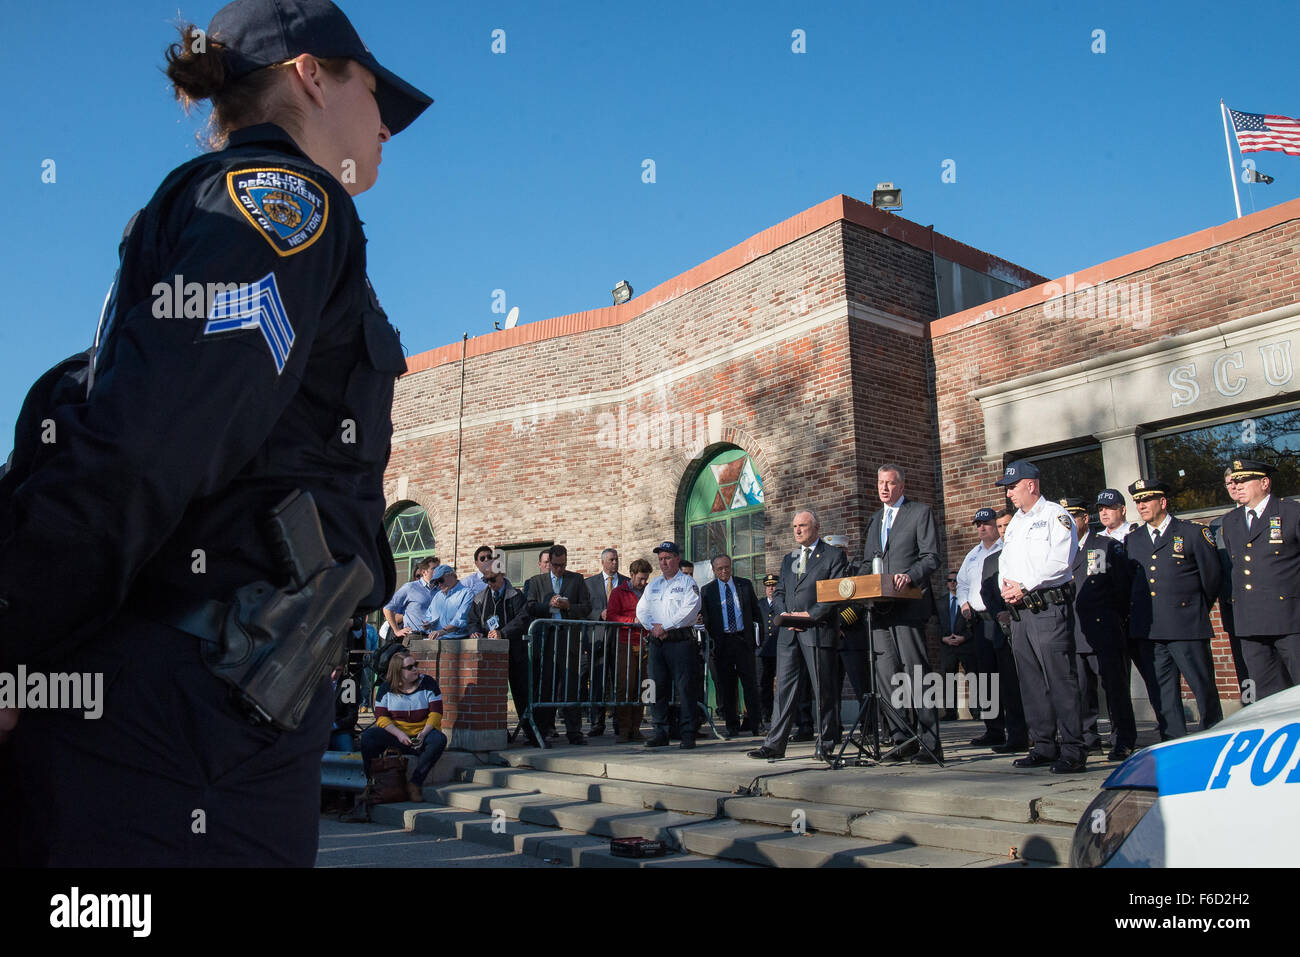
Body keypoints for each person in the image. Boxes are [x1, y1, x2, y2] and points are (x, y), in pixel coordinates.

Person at [0, 0, 431, 866]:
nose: (387, 122)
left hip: (205, 715)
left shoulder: (240, 209)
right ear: (311, 72)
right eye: (374, 91)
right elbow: (150, 439)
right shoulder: (283, 204)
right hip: (186, 730)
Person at [996, 460, 1085, 773]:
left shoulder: (1055, 516)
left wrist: (1025, 585)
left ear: (1031, 485)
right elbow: (1005, 560)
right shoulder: (1017, 522)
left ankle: (1073, 749)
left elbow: (1061, 561)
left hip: (1047, 607)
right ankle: (1044, 745)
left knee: (1060, 679)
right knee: (1031, 682)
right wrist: (1005, 587)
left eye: (1013, 487)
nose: (1009, 494)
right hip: (1019, 611)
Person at [1124, 478, 1222, 739]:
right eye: (1137, 502)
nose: (1141, 506)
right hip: (1151, 629)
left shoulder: (1191, 533)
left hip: (1186, 626)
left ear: (1163, 502)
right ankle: (1172, 738)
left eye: (1146, 500)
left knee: (1202, 685)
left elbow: (1211, 579)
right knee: (1162, 690)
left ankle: (1212, 733)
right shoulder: (1133, 540)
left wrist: (1193, 609)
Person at [749, 510, 847, 762]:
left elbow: (834, 594)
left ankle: (825, 743)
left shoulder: (833, 556)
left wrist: (810, 615)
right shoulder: (789, 559)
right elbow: (779, 592)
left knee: (823, 689)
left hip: (817, 631)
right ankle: (774, 744)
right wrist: (786, 615)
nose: (797, 530)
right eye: (794, 526)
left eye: (802, 525)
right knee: (783, 690)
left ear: (816, 527)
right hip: (789, 634)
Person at [862, 465, 942, 763]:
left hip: (908, 605)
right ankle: (901, 740)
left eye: (890, 483)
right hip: (880, 609)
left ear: (901, 485)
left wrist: (909, 575)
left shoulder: (919, 513)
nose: (884, 488)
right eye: (880, 483)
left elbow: (931, 557)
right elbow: (867, 561)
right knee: (887, 676)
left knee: (916, 674)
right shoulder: (874, 520)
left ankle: (930, 743)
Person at [1063, 497, 1136, 761]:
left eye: (1074, 517)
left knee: (1114, 688)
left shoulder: (1105, 546)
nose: (1069, 524)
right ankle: (1088, 737)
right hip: (1074, 630)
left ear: (1085, 518)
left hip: (1103, 628)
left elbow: (1122, 587)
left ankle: (1122, 739)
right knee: (1081, 691)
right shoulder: (1061, 550)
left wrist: (1114, 618)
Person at [1220, 458, 1299, 702]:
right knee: (1268, 697)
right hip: (1251, 622)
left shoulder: (1291, 512)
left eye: (1244, 480)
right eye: (1234, 481)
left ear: (1264, 483)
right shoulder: (1231, 521)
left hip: (1290, 618)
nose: (1237, 485)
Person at [636, 542, 704, 749]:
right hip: (657, 643)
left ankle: (687, 733)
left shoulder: (687, 583)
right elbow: (642, 610)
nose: (663, 562)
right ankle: (660, 732)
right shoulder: (653, 585)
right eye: (660, 559)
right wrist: (652, 628)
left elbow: (690, 610)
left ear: (676, 559)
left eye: (667, 558)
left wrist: (665, 626)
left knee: (685, 689)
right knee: (656, 688)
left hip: (680, 642)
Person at [524, 545, 591, 744]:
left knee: (571, 684)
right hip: (546, 640)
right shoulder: (537, 582)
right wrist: (548, 606)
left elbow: (587, 607)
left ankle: (574, 732)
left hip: (568, 640)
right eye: (555, 565)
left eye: (562, 565)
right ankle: (542, 731)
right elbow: (530, 607)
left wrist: (569, 606)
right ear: (549, 562)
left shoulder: (576, 580)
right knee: (546, 685)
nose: (559, 569)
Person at [361, 653, 447, 803]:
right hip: (397, 735)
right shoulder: (386, 688)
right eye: (409, 667)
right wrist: (399, 734)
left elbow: (436, 713)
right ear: (398, 671)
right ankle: (372, 783)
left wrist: (423, 734)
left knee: (439, 739)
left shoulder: (428, 683)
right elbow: (381, 717)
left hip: (421, 735)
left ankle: (415, 783)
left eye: (416, 665)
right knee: (369, 737)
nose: (415, 669)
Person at [466, 559, 535, 744]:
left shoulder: (516, 596)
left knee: (521, 694)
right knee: (492, 693)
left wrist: (503, 633)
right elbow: (472, 619)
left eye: (493, 579)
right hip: (490, 655)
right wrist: (474, 631)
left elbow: (522, 619)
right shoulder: (480, 597)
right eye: (486, 580)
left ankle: (531, 733)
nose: (490, 584)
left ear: (502, 575)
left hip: (515, 653)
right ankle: (498, 730)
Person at [955, 507, 1006, 744]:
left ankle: (1018, 728)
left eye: (986, 523)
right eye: (978, 524)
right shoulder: (972, 555)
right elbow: (962, 584)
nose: (981, 527)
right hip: (979, 621)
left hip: (1001, 619)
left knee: (1007, 674)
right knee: (985, 678)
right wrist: (964, 604)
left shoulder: (1005, 549)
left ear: (996, 525)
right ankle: (993, 729)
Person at [979, 508, 1029, 752]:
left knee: (1034, 685)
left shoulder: (1028, 553)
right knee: (1010, 689)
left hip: (1029, 624)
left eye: (1008, 525)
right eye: (1000, 527)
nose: (1004, 530)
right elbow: (986, 591)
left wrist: (1013, 610)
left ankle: (1046, 735)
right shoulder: (991, 560)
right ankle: (1017, 737)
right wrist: (1000, 612)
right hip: (1003, 631)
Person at [701, 553, 763, 738]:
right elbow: (707, 619)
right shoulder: (707, 591)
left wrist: (757, 639)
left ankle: (755, 723)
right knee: (726, 685)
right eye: (719, 568)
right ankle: (731, 724)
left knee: (750, 683)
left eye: (727, 567)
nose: (724, 571)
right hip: (722, 643)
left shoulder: (744, 585)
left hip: (743, 640)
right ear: (713, 570)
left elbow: (755, 613)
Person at [584, 547, 629, 736]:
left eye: (616, 559)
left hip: (620, 637)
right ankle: (597, 722)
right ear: (602, 562)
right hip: (599, 638)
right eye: (611, 560)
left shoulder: (626, 582)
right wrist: (599, 614)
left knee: (620, 680)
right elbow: (584, 609)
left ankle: (620, 722)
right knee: (598, 681)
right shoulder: (589, 584)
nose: (614, 563)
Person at [607, 558, 652, 742]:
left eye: (646, 579)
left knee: (644, 686)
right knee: (625, 686)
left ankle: (636, 727)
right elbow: (611, 616)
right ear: (631, 575)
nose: (643, 583)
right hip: (625, 642)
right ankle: (624, 728)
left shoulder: (649, 592)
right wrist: (631, 622)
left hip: (646, 643)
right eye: (640, 578)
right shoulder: (619, 592)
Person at [936, 570, 974, 722]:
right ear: (947, 583)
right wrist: (943, 638)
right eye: (950, 580)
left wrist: (964, 637)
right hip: (947, 645)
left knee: (973, 676)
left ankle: (976, 710)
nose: (953, 583)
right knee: (948, 678)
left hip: (966, 643)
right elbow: (936, 623)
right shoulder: (941, 602)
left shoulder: (968, 600)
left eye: (955, 580)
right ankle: (950, 712)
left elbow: (973, 623)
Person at [384, 557, 441, 638]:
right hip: (415, 637)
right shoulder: (410, 588)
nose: (438, 571)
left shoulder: (440, 590)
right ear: (424, 572)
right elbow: (387, 608)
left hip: (436, 638)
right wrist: (396, 630)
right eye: (434, 569)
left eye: (439, 568)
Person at [755, 573, 781, 731]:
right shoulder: (759, 605)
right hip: (763, 649)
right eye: (768, 586)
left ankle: (781, 713)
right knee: (764, 684)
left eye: (774, 585)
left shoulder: (782, 603)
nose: (771, 589)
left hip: (779, 648)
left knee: (782, 684)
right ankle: (766, 713)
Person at [421, 564, 474, 639]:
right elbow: (428, 616)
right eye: (436, 583)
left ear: (452, 575)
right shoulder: (438, 596)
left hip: (457, 641)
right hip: (437, 639)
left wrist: (443, 631)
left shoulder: (466, 593)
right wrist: (427, 624)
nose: (439, 585)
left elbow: (460, 619)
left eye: (440, 580)